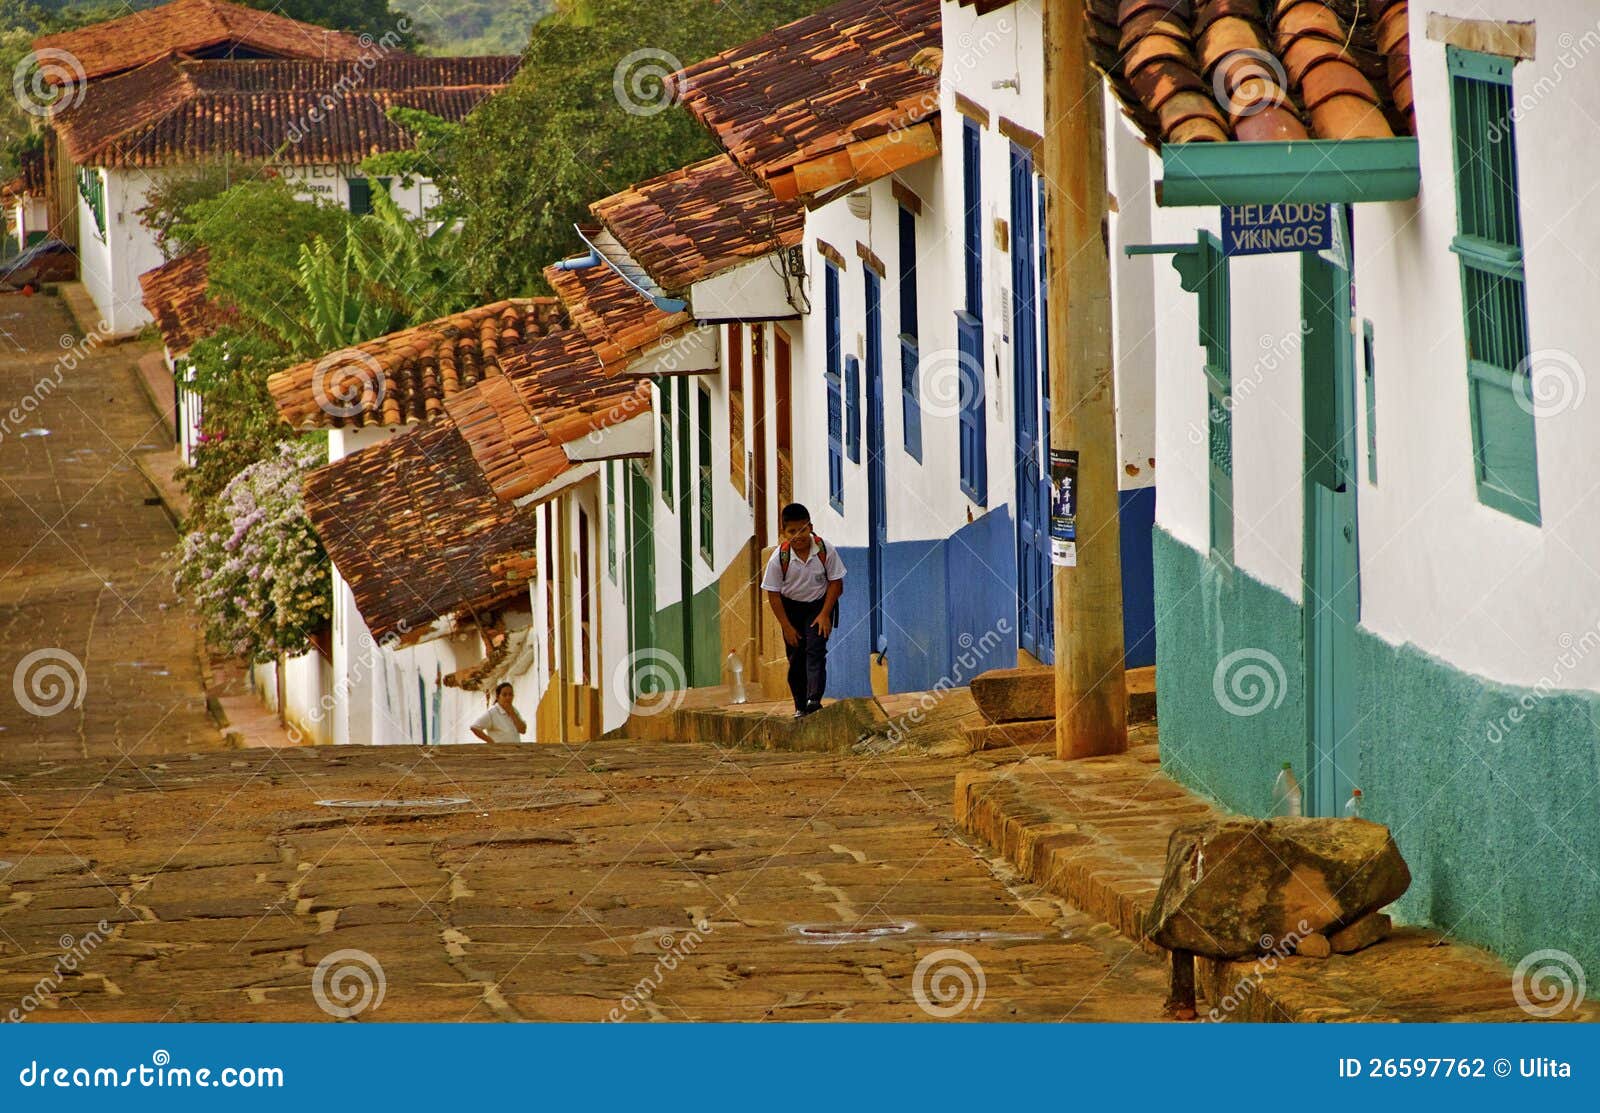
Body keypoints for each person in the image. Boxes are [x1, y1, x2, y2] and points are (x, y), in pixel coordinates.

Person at [760, 503, 845, 718]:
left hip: (819, 606)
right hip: (791, 609)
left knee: (815, 650)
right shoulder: (779, 559)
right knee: (796, 657)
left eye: (803, 530)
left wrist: (825, 614)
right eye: (792, 531)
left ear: (810, 527)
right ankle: (800, 705)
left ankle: (814, 700)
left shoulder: (825, 550)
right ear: (783, 533)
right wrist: (786, 627)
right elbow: (773, 594)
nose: (798, 536)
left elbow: (836, 583)